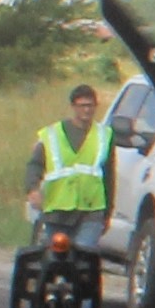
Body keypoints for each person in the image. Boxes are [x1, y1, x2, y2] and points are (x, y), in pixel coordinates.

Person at [24, 83, 111, 246]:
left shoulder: (104, 135)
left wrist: (108, 212)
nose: (87, 110)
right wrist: (33, 189)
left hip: (91, 210)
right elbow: (35, 164)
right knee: (55, 258)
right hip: (58, 210)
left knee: (83, 256)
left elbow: (109, 175)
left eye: (91, 106)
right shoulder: (52, 134)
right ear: (73, 107)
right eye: (83, 106)